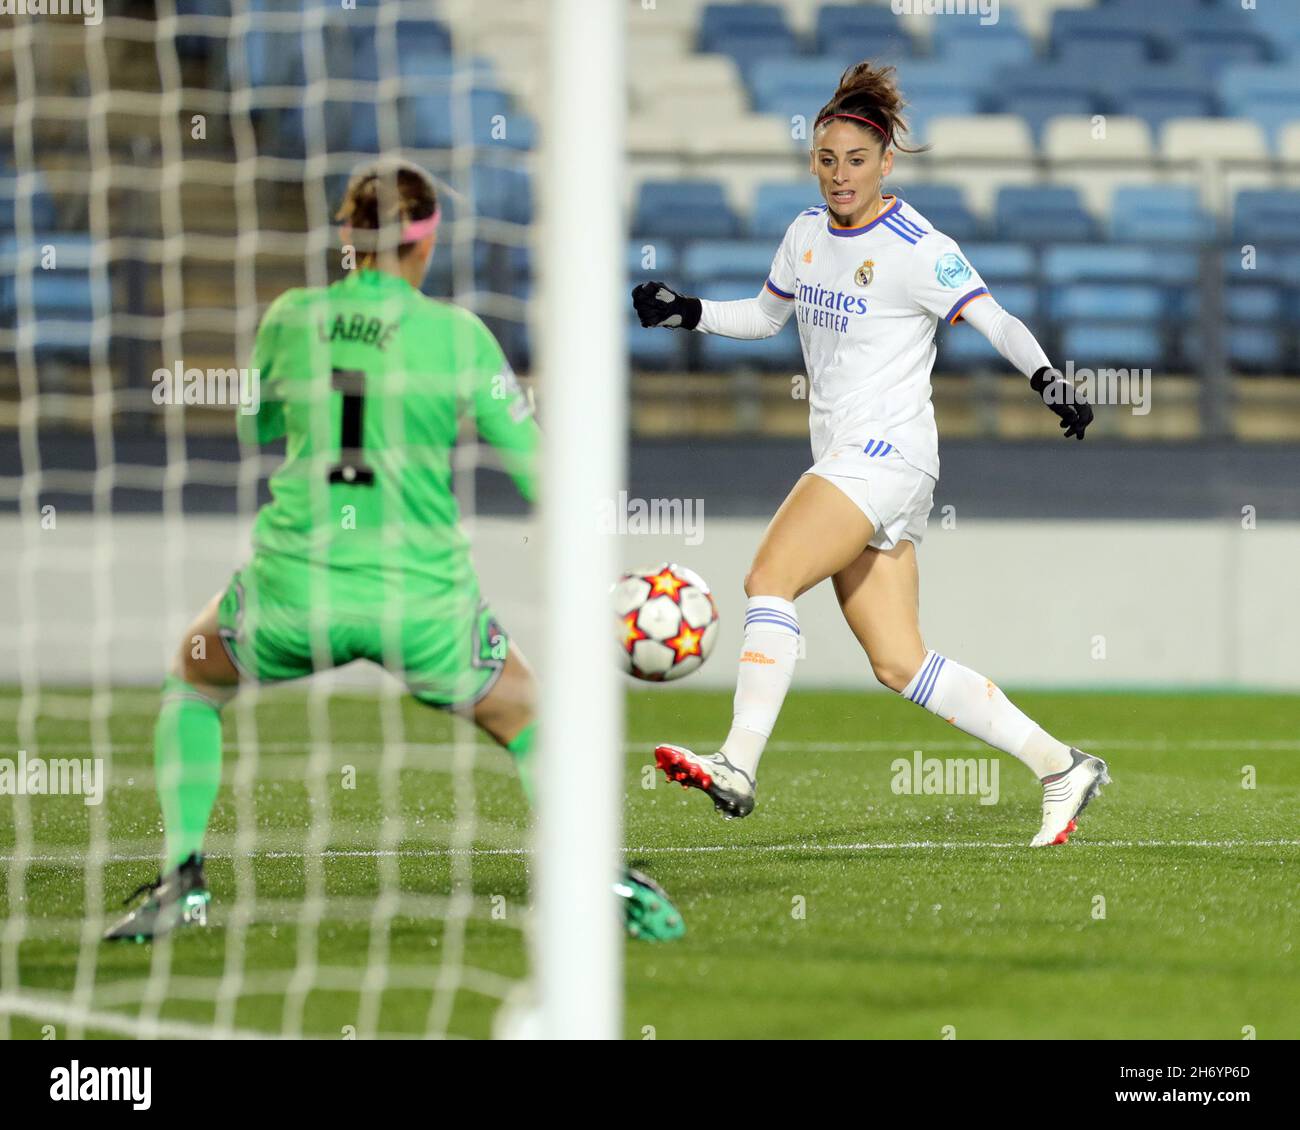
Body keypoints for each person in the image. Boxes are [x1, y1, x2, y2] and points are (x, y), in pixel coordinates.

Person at [106, 157, 682, 941]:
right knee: (533, 716)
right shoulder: (459, 337)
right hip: (421, 601)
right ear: (428, 239)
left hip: (294, 589)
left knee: (193, 675)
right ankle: (599, 878)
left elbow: (254, 426)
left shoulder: (289, 317)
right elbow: (538, 472)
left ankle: (185, 883)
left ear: (347, 236)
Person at [632, 62, 1108, 847]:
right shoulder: (804, 235)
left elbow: (992, 319)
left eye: (856, 160)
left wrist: (1047, 378)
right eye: (826, 160)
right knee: (899, 663)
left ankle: (739, 762)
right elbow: (762, 317)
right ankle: (1061, 765)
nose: (839, 175)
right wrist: (687, 311)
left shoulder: (919, 246)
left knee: (768, 578)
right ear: (812, 162)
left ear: (886, 162)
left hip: (888, 454)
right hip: (860, 461)